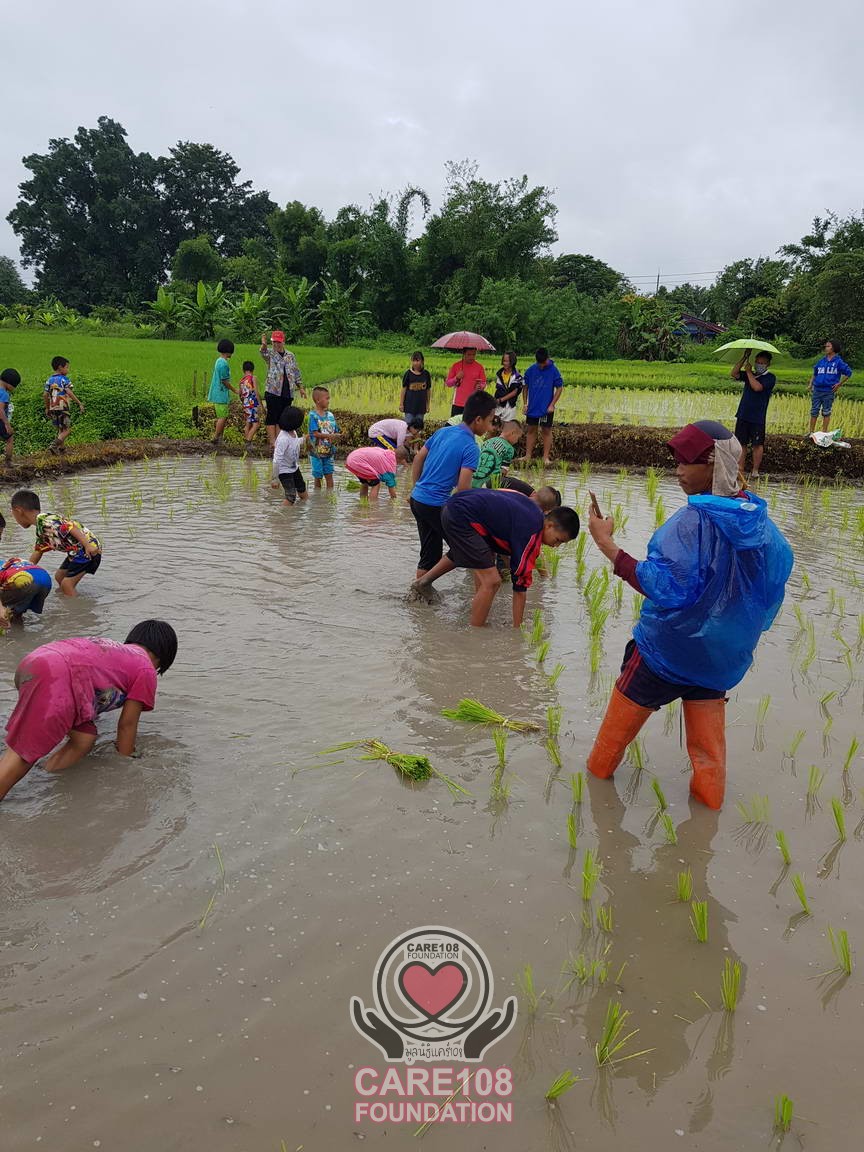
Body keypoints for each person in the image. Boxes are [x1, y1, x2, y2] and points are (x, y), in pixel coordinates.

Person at [586, 419, 793, 810]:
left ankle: (592, 797)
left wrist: (606, 543)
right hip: (717, 659)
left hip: (664, 654)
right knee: (708, 754)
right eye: (677, 460)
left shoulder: (693, 520)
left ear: (714, 464)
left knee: (612, 741)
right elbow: (769, 595)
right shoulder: (760, 524)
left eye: (688, 461)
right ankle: (705, 827)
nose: (678, 470)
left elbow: (666, 588)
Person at [0, 620, 178, 802]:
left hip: (35, 660)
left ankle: (44, 773)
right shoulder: (145, 668)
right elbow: (127, 725)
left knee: (84, 739)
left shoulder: (115, 649)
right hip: (56, 676)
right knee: (25, 752)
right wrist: (125, 765)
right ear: (165, 657)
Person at [411, 489, 579, 627]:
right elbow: (520, 587)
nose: (555, 546)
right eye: (558, 540)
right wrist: (517, 629)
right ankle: (475, 634)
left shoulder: (533, 512)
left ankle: (422, 583)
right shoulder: (531, 533)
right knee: (492, 581)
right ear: (549, 525)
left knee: (481, 557)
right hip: (462, 517)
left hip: (455, 506)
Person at [409, 392, 496, 578]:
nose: (490, 427)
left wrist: (415, 488)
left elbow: (418, 459)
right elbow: (463, 489)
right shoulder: (471, 447)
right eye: (490, 421)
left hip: (417, 500)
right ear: (478, 420)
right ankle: (475, 594)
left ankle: (419, 596)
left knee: (430, 552)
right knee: (466, 548)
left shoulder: (443, 432)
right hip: (435, 504)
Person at [10, 489, 102, 597]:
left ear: (18, 511)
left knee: (67, 585)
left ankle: (76, 611)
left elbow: (70, 526)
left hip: (87, 550)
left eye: (12, 514)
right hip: (76, 551)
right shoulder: (41, 529)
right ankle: (67, 598)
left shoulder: (46, 521)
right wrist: (24, 570)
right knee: (60, 577)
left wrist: (87, 545)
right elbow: (38, 552)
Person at [731, 350, 776, 478]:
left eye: (762, 363)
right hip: (743, 414)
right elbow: (734, 373)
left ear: (768, 365)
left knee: (757, 444)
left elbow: (757, 387)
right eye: (757, 362)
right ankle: (740, 468)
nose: (759, 365)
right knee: (741, 442)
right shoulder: (750, 375)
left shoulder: (770, 378)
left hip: (757, 416)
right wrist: (744, 358)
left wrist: (749, 372)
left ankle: (755, 470)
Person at [260, 331, 306, 446]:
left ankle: (280, 442)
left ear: (283, 342)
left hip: (287, 391)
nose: (276, 344)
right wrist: (264, 345)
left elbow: (296, 372)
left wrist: (300, 387)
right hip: (273, 390)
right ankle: (272, 442)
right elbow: (263, 352)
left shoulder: (290, 356)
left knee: (282, 418)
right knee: (272, 416)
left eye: (278, 342)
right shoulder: (270, 354)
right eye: (274, 342)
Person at [522, 347, 563, 465]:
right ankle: (527, 455)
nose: (541, 366)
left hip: (546, 408)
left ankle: (545, 458)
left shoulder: (554, 370)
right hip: (533, 407)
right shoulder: (531, 370)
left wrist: (552, 405)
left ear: (547, 359)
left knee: (546, 430)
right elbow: (525, 387)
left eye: (543, 363)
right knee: (531, 429)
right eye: (539, 363)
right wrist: (525, 403)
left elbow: (559, 388)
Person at [809, 338, 852, 434]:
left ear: (834, 348)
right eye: (826, 346)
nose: (826, 348)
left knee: (826, 411)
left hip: (828, 391)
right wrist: (810, 384)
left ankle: (824, 432)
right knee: (814, 410)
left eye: (828, 346)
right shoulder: (821, 361)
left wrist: (839, 384)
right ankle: (811, 432)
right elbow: (815, 373)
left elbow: (849, 373)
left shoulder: (838, 362)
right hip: (817, 390)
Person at [43, 356, 84, 454]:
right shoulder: (64, 379)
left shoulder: (49, 380)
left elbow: (45, 395)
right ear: (60, 367)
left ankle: (62, 449)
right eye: (67, 367)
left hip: (53, 406)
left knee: (60, 428)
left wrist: (47, 408)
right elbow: (69, 391)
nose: (68, 370)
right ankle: (54, 445)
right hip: (63, 406)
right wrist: (79, 403)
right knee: (67, 430)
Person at [0, 555, 53, 628]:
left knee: (5, 615)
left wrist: (1, 609)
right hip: (45, 578)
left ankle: (9, 633)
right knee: (16, 614)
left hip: (24, 579)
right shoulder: (6, 562)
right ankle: (19, 633)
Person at [271, 405, 308, 506]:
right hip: (284, 471)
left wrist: (304, 439)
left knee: (302, 489)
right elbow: (276, 459)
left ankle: (304, 508)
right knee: (291, 497)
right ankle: (281, 516)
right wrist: (275, 479)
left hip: (294, 468)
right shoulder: (283, 438)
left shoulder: (293, 432)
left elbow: (295, 443)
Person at [307, 386, 340, 491]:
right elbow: (315, 433)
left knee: (329, 474)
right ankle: (318, 498)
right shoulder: (313, 416)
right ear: (318, 400)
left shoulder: (330, 415)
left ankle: (329, 497)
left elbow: (335, 430)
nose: (328, 401)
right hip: (316, 452)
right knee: (318, 475)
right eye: (327, 398)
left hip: (328, 451)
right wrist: (330, 436)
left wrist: (335, 436)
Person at [472, 421, 523, 487]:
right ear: (512, 433)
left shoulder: (487, 442)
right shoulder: (509, 448)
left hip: (474, 480)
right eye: (518, 438)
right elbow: (504, 471)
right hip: (491, 482)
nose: (517, 441)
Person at [207, 338, 237, 445]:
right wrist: (235, 390)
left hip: (217, 393)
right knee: (222, 417)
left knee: (222, 415)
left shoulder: (218, 360)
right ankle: (216, 437)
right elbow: (224, 381)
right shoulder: (224, 364)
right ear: (229, 351)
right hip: (220, 394)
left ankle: (220, 438)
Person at [445, 347, 487, 417]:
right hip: (458, 403)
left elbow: (484, 382)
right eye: (469, 354)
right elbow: (448, 383)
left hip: (473, 402)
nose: (471, 357)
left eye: (473, 355)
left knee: (471, 426)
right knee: (455, 425)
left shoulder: (479, 367)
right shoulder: (456, 366)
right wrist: (456, 378)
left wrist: (481, 386)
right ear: (464, 354)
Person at [400, 351, 432, 431]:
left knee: (418, 428)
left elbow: (428, 390)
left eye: (417, 360)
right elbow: (403, 389)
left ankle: (417, 443)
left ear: (422, 361)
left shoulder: (426, 374)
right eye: (413, 360)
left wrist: (427, 404)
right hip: (409, 406)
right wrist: (401, 404)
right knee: (408, 427)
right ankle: (407, 443)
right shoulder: (408, 374)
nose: (415, 363)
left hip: (421, 407)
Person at [493, 352, 524, 422]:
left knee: (507, 428)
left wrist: (501, 400)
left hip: (510, 406)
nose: (504, 363)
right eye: (504, 361)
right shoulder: (499, 374)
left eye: (507, 361)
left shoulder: (517, 376)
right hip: (499, 406)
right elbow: (498, 389)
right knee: (495, 427)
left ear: (512, 362)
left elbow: (514, 392)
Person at [0, 368, 20, 466]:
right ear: (9, 383)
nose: (14, 388)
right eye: (14, 386)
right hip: (1, 420)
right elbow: (0, 410)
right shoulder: (4, 394)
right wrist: (7, 425)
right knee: (10, 439)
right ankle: (8, 462)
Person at [238, 360, 261, 443]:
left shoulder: (241, 381)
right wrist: (260, 405)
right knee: (256, 424)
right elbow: (256, 393)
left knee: (248, 423)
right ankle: (248, 441)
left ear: (243, 370)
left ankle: (246, 443)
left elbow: (240, 395)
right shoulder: (253, 378)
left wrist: (244, 402)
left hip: (246, 404)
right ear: (252, 369)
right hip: (253, 404)